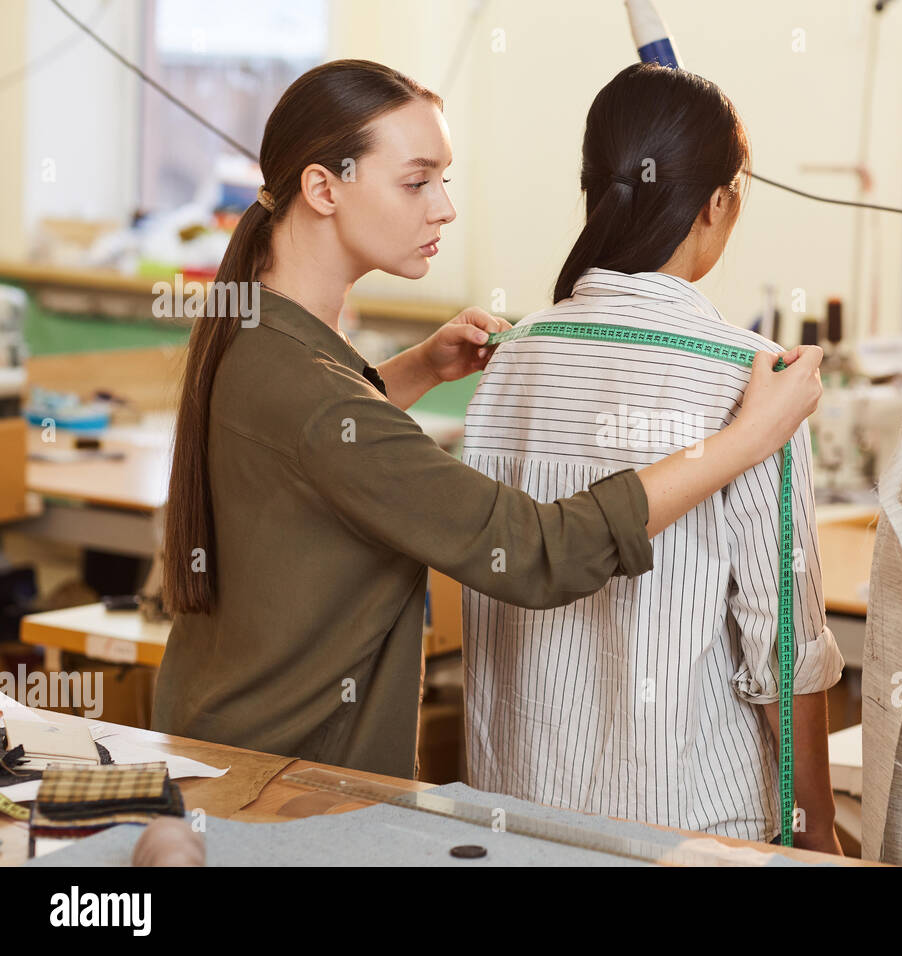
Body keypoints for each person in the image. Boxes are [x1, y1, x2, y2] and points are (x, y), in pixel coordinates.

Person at [152, 59, 823, 781]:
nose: (442, 207)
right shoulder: (309, 392)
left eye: (443, 179)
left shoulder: (259, 334)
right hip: (278, 789)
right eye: (416, 181)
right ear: (323, 188)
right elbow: (541, 551)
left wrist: (416, 370)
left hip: (223, 746)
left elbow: (319, 439)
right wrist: (745, 440)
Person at [461, 64, 844, 852]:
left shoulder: (510, 356)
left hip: (516, 809)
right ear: (717, 203)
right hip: (688, 825)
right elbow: (783, 646)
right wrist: (817, 832)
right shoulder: (756, 380)